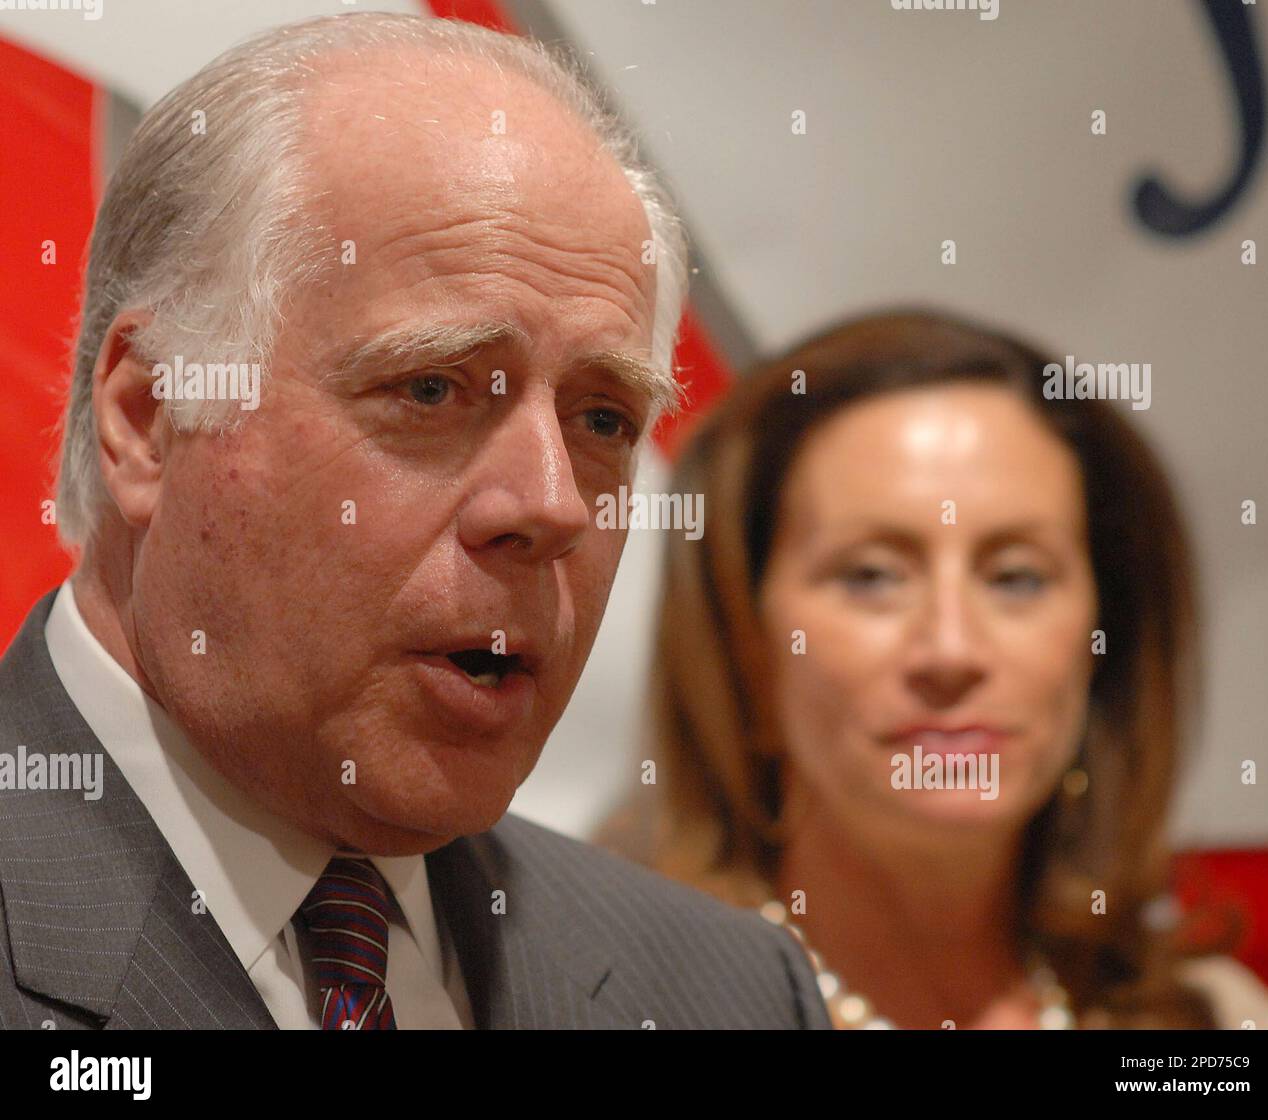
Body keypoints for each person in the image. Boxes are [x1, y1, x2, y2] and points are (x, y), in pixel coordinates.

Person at [0, 12, 829, 1031]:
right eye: (432, 390)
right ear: (149, 414)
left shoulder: (733, 994)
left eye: (603, 418)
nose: (550, 503)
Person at [598, 309, 1268, 1029]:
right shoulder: (615, 1007)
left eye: (1016, 577)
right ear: (743, 644)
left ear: (1103, 641)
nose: (952, 649)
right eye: (871, 575)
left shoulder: (1212, 1025)